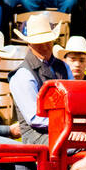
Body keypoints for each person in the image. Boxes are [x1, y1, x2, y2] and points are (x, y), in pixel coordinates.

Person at [10, 13, 70, 146]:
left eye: (47, 41)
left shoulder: (64, 66)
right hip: (36, 135)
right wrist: (68, 124)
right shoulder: (23, 74)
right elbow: (35, 119)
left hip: (63, 129)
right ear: (29, 44)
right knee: (85, 147)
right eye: (39, 42)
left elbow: (73, 99)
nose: (44, 46)